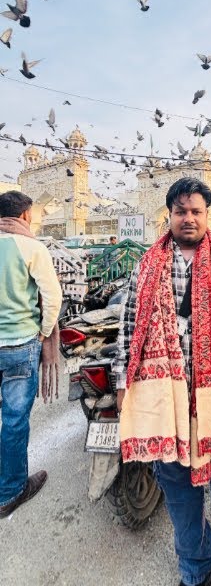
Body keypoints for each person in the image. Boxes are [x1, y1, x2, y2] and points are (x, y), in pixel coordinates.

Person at [112, 178, 211, 586]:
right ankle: (196, 572)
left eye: (196, 211)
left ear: (206, 215)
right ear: (169, 215)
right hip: (167, 408)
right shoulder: (148, 265)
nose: (188, 218)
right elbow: (129, 326)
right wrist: (121, 381)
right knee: (182, 505)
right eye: (181, 211)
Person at [0, 191, 61, 517]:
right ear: (24, 215)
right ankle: (11, 491)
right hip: (19, 346)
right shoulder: (31, 247)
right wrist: (43, 331)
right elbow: (52, 296)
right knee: (13, 422)